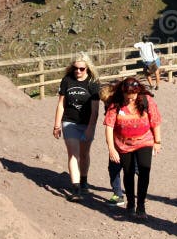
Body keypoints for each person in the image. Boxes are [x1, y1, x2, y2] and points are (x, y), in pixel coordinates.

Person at [104, 76, 162, 220]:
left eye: (133, 96)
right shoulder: (115, 103)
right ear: (122, 93)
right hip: (123, 144)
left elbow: (155, 121)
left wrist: (158, 141)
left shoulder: (146, 101)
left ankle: (141, 206)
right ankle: (130, 204)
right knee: (128, 173)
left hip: (144, 140)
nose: (131, 100)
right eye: (128, 97)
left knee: (144, 170)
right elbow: (109, 126)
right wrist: (111, 148)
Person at [53, 53, 100, 202]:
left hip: (86, 123)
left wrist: (91, 127)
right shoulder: (67, 81)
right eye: (75, 68)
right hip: (69, 121)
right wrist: (57, 125)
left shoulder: (93, 83)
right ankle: (76, 188)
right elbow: (61, 104)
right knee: (74, 154)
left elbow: (95, 110)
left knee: (84, 154)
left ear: (87, 68)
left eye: (81, 69)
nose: (78, 71)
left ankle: (84, 180)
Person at [99, 84, 125, 207]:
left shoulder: (122, 105)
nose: (107, 103)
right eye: (104, 102)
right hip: (116, 144)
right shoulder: (109, 108)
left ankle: (140, 193)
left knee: (136, 168)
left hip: (130, 143)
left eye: (108, 100)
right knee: (113, 169)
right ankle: (118, 194)